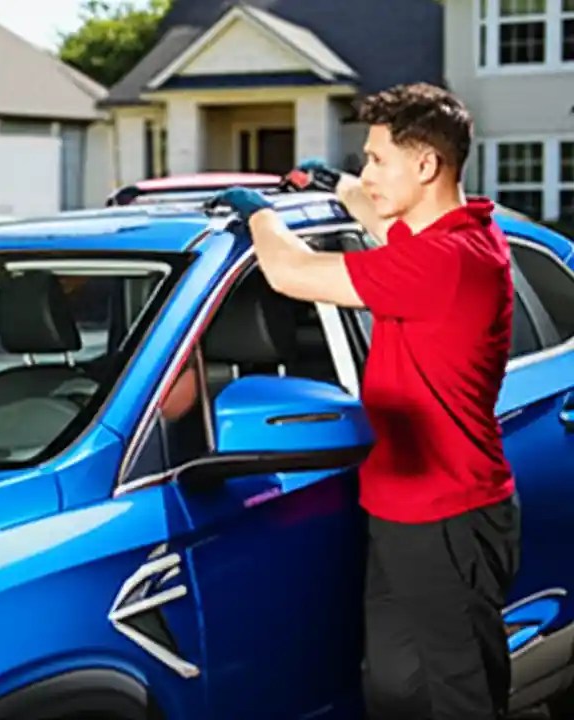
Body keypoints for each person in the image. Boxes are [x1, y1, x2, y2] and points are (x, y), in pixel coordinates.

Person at [212, 83, 521, 720]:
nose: (368, 172)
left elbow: (291, 273)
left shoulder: (450, 260)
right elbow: (377, 216)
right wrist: (338, 186)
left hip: (449, 514)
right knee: (397, 690)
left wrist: (258, 215)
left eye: (378, 159)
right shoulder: (439, 235)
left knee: (459, 699)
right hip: (402, 507)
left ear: (427, 166)